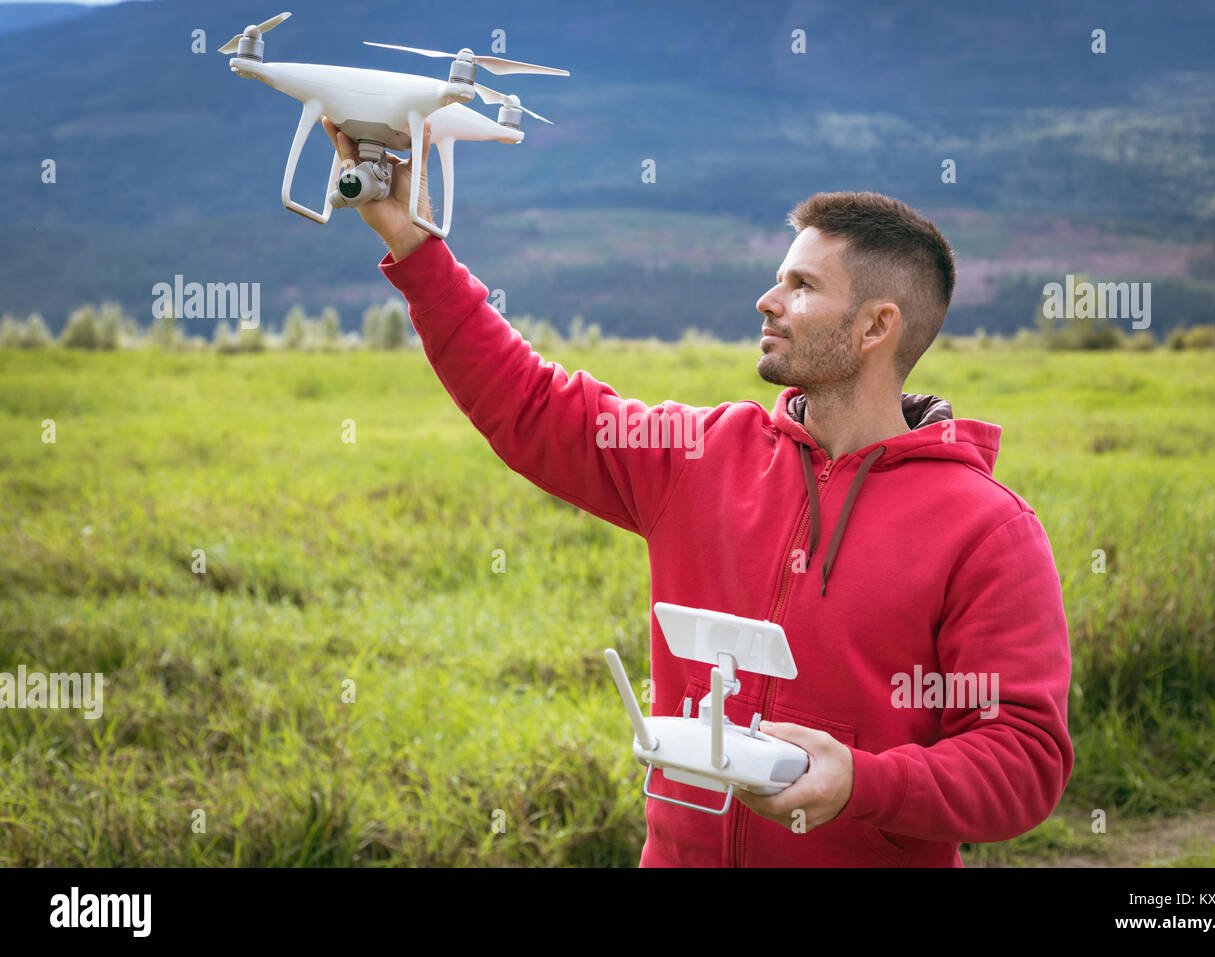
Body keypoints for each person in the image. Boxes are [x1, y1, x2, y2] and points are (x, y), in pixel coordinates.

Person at [324, 119, 1074, 867]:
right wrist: (414, 243)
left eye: (801, 286)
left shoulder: (988, 530)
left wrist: (864, 782)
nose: (766, 300)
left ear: (877, 326)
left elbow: (1025, 758)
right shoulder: (698, 455)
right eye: (780, 277)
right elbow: (527, 404)